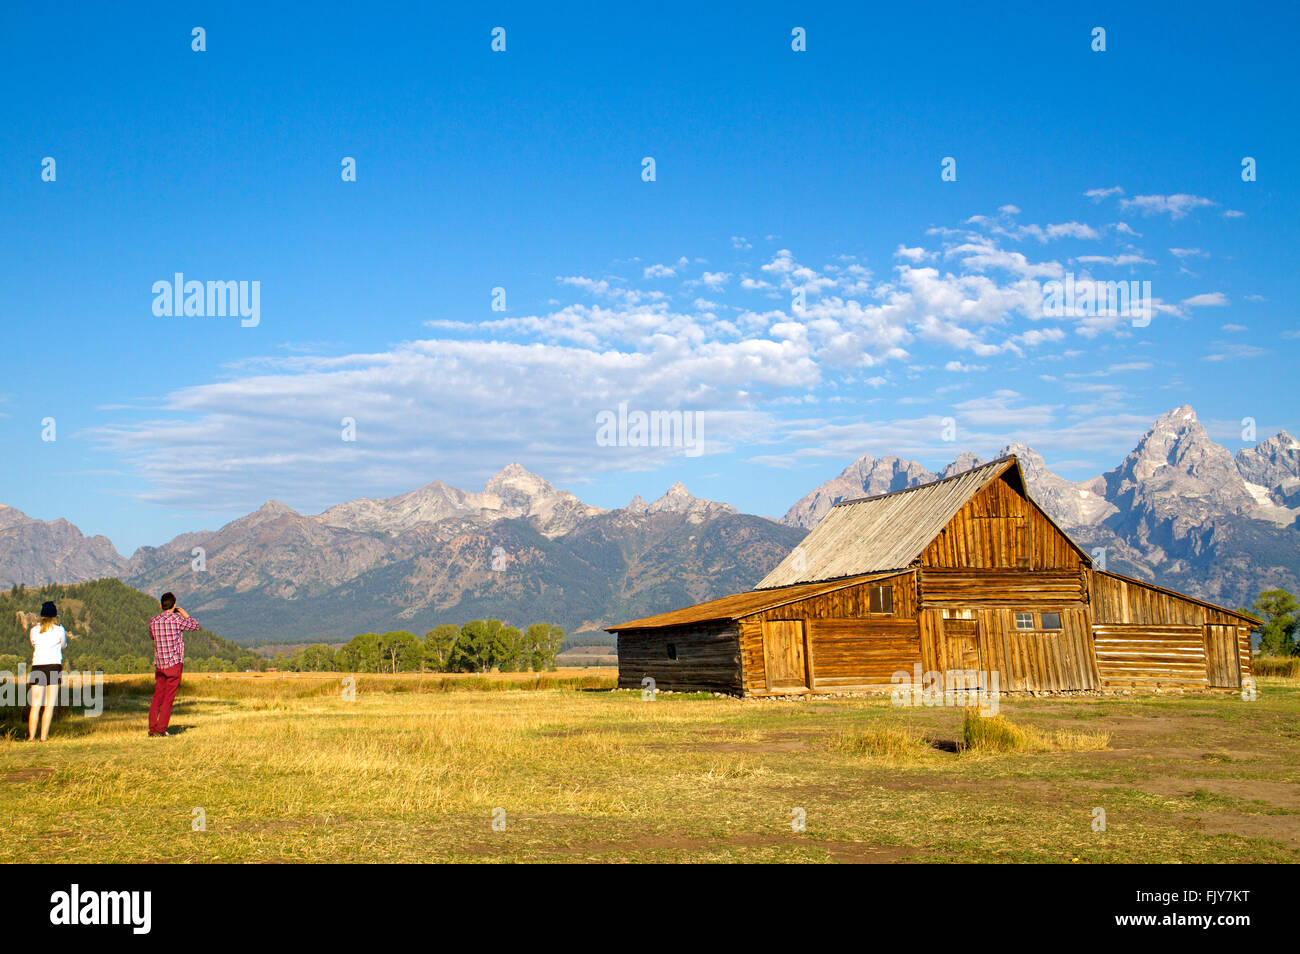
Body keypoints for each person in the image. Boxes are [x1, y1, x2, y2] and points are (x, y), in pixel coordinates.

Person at [147, 592, 201, 737]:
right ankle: (161, 730)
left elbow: (152, 636)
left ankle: (152, 729)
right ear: (174, 604)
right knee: (168, 699)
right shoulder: (177, 620)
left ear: (160, 605)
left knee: (157, 697)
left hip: (160, 663)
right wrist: (185, 615)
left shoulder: (153, 621)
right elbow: (195, 626)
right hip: (174, 663)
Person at [28, 601, 66, 742]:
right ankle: (44, 737)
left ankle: (31, 737)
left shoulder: (34, 630)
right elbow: (64, 645)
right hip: (54, 666)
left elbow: (33, 644)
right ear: (55, 615)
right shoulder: (59, 629)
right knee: (49, 704)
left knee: (35, 704)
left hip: (37, 666)